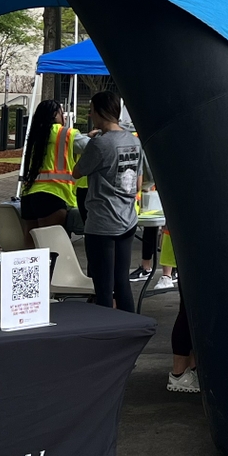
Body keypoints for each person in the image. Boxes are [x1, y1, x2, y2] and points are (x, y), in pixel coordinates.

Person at [75, 90, 141, 312]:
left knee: (103, 287)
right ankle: (130, 329)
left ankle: (106, 334)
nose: (90, 115)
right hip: (128, 218)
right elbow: (138, 184)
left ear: (101, 112)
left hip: (102, 221)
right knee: (122, 282)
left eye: (92, 111)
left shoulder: (99, 144)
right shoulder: (134, 142)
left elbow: (77, 172)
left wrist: (93, 141)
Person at [18, 99, 79, 231]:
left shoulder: (35, 134)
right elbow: (93, 148)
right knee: (51, 245)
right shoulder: (66, 133)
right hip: (53, 196)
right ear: (55, 114)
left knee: (31, 245)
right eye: (61, 113)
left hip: (29, 196)